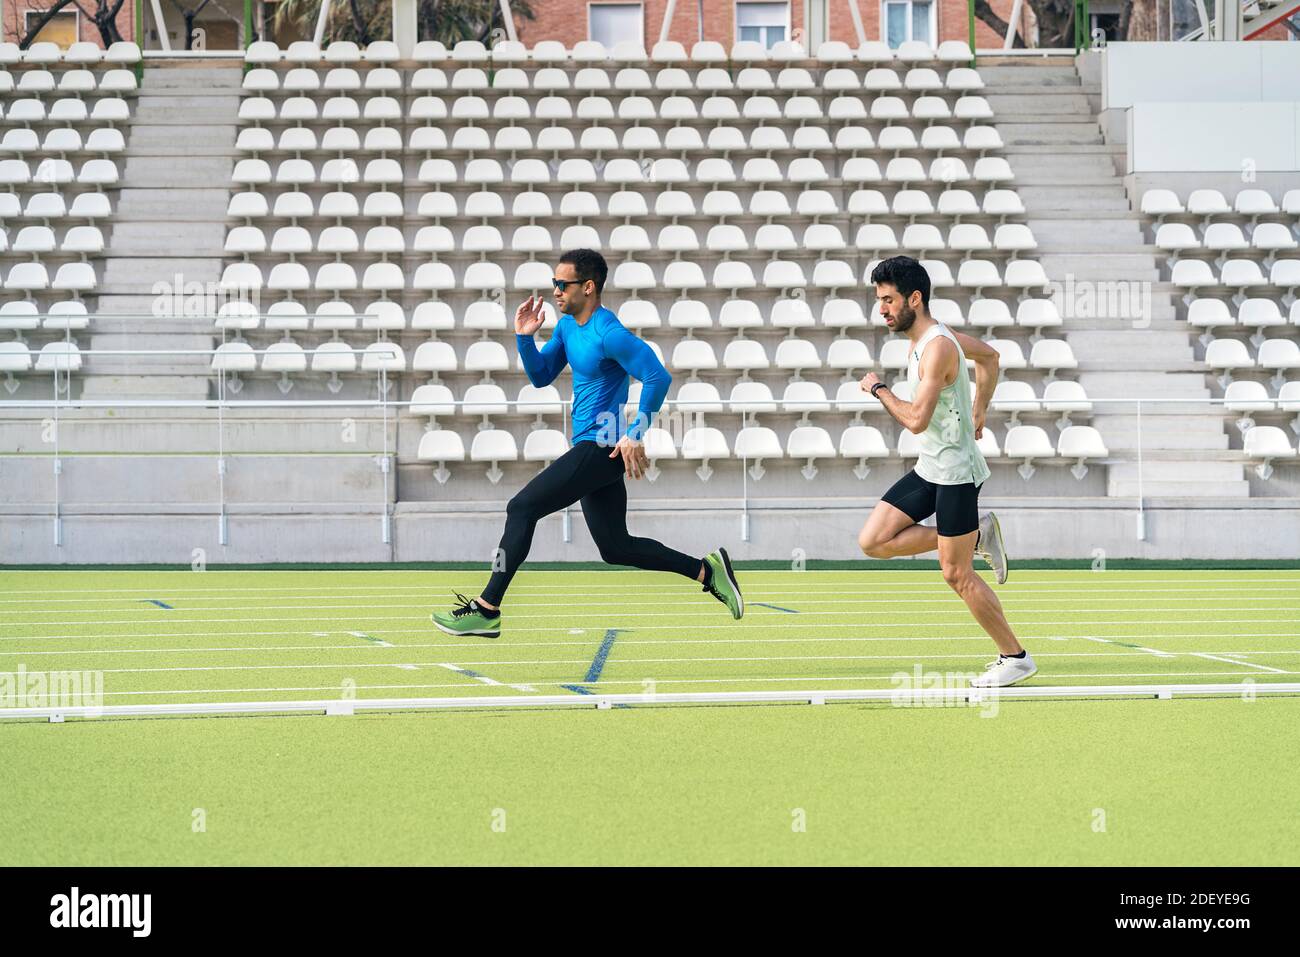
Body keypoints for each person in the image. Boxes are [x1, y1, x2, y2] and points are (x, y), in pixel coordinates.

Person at [431, 249, 744, 637]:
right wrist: (524, 338)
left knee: (522, 507)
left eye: (563, 284)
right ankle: (706, 570)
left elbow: (658, 377)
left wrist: (635, 434)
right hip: (593, 449)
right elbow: (542, 376)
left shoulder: (608, 333)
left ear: (589, 287)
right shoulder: (565, 328)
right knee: (616, 548)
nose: (556, 292)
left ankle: (487, 606)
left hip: (602, 445)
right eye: (554, 284)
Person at [857, 256, 1036, 688]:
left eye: (888, 300)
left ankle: (1016, 656)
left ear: (914, 299)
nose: (881, 309)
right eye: (879, 300)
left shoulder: (937, 346)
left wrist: (879, 388)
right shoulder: (935, 339)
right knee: (874, 541)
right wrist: (980, 408)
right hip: (931, 465)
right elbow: (990, 357)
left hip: (955, 472)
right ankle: (977, 535)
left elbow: (916, 419)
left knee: (955, 572)